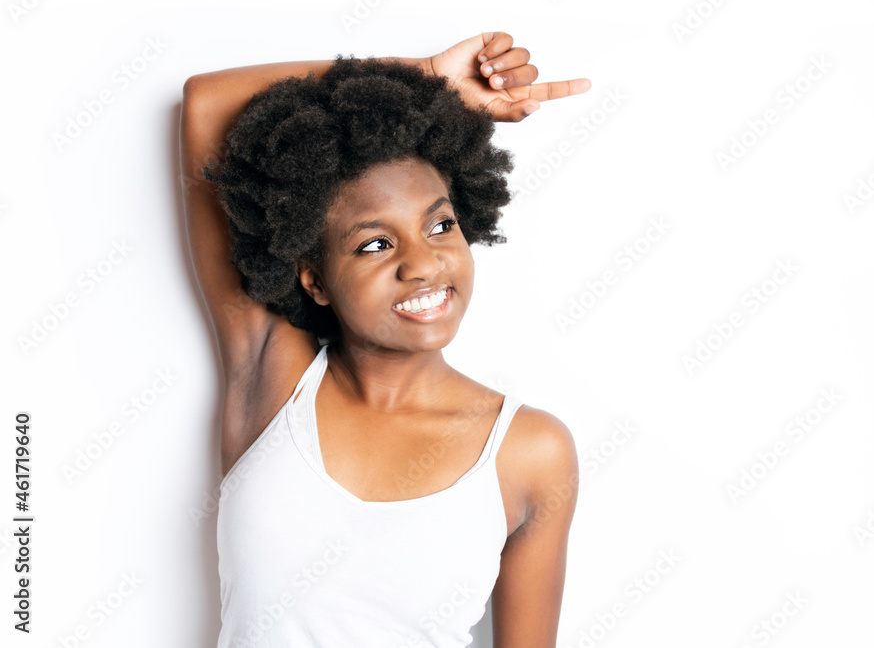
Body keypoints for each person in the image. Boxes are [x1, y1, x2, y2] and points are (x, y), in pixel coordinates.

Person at [179, 32, 590, 647]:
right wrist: (428, 81)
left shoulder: (528, 451)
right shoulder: (273, 378)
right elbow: (205, 104)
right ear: (313, 278)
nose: (423, 264)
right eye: (376, 243)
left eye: (440, 225)